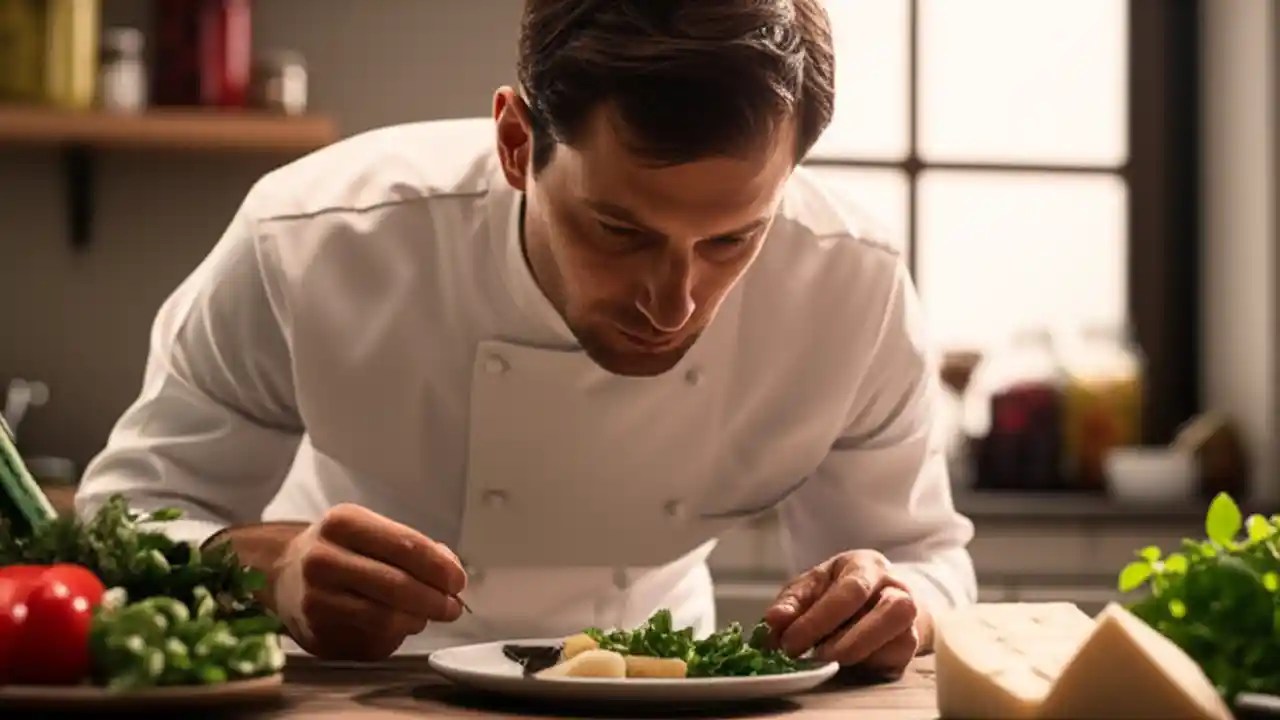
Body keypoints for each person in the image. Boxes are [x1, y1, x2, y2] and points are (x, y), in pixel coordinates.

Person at [76, 0, 976, 674]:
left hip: (659, 694)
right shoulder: (312, 241)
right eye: (620, 233)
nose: (676, 304)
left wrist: (901, 605)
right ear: (516, 143)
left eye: (733, 240)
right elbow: (123, 515)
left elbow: (927, 562)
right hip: (356, 693)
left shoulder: (852, 283)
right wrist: (263, 570)